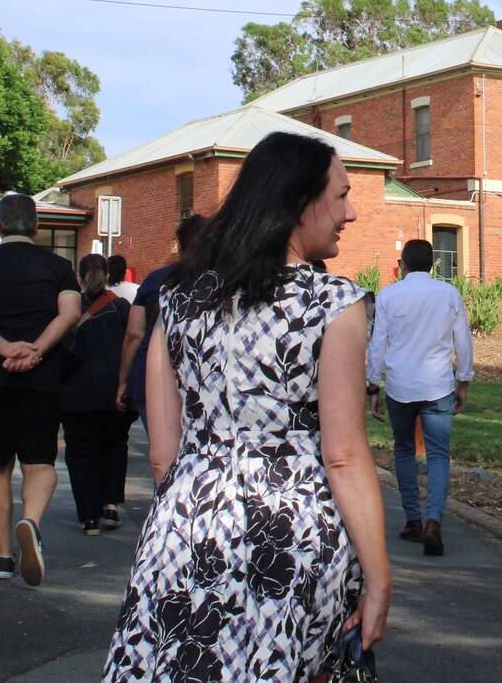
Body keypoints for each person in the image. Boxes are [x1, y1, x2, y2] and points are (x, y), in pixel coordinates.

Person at [105, 133, 389, 680]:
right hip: (291, 535)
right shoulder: (334, 304)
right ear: (299, 202)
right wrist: (378, 579)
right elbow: (344, 457)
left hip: (185, 524)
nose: (350, 213)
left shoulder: (180, 297)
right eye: (341, 196)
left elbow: (163, 453)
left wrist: (188, 510)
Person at [0, 193, 81, 587]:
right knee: (40, 464)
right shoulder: (59, 266)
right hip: (42, 378)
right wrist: (37, 349)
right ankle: (32, 520)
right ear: (36, 225)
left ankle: (3, 556)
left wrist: (4, 348)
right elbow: (71, 312)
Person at [367, 238, 474, 558]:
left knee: (403, 450)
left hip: (400, 386)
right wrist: (463, 380)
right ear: (433, 264)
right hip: (438, 384)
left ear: (402, 263)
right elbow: (463, 341)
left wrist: (373, 384)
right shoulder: (449, 294)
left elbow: (378, 344)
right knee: (439, 454)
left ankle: (413, 520)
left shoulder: (388, 296)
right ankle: (434, 522)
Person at [61, 253, 136, 535]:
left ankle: (89, 516)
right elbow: (134, 341)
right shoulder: (122, 308)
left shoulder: (69, 308)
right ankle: (111, 505)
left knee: (81, 452)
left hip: (76, 393)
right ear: (108, 276)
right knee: (115, 446)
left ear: (79, 277)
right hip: (115, 390)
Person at [114, 214, 205, 432]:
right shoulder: (223, 280)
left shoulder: (156, 280)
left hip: (153, 377)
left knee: (162, 454)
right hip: (202, 378)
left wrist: (123, 381)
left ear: (179, 243)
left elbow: (134, 334)